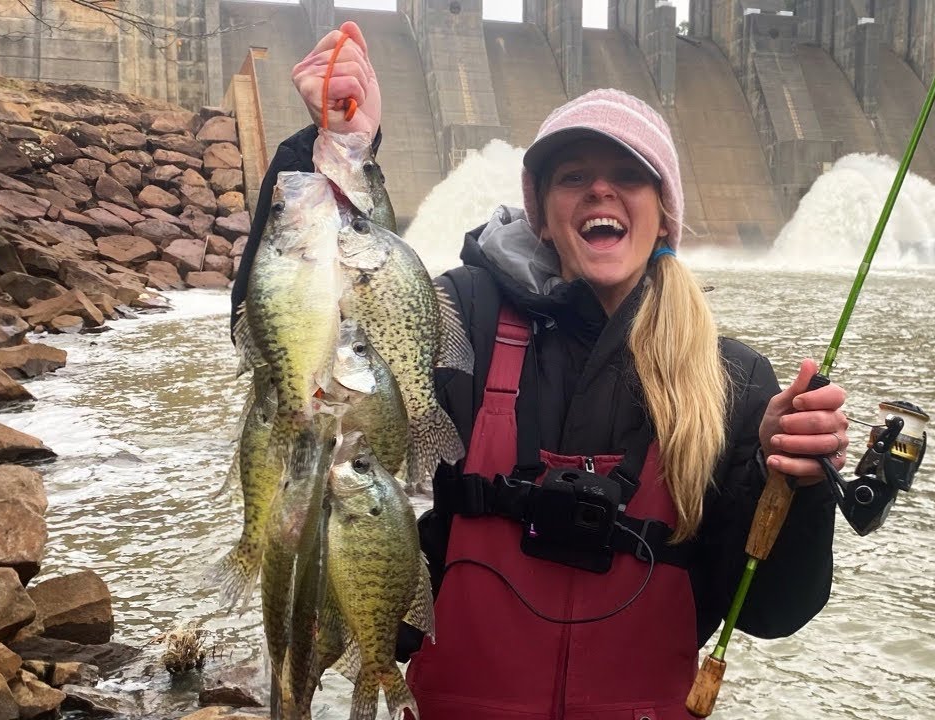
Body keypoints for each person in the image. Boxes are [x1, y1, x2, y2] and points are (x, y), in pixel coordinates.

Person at [234, 21, 851, 720]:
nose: (600, 193)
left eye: (627, 177)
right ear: (542, 210)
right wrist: (332, 151)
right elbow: (304, 351)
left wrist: (795, 484)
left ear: (664, 212)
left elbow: (774, 610)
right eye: (573, 178)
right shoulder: (461, 313)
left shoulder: (734, 382)